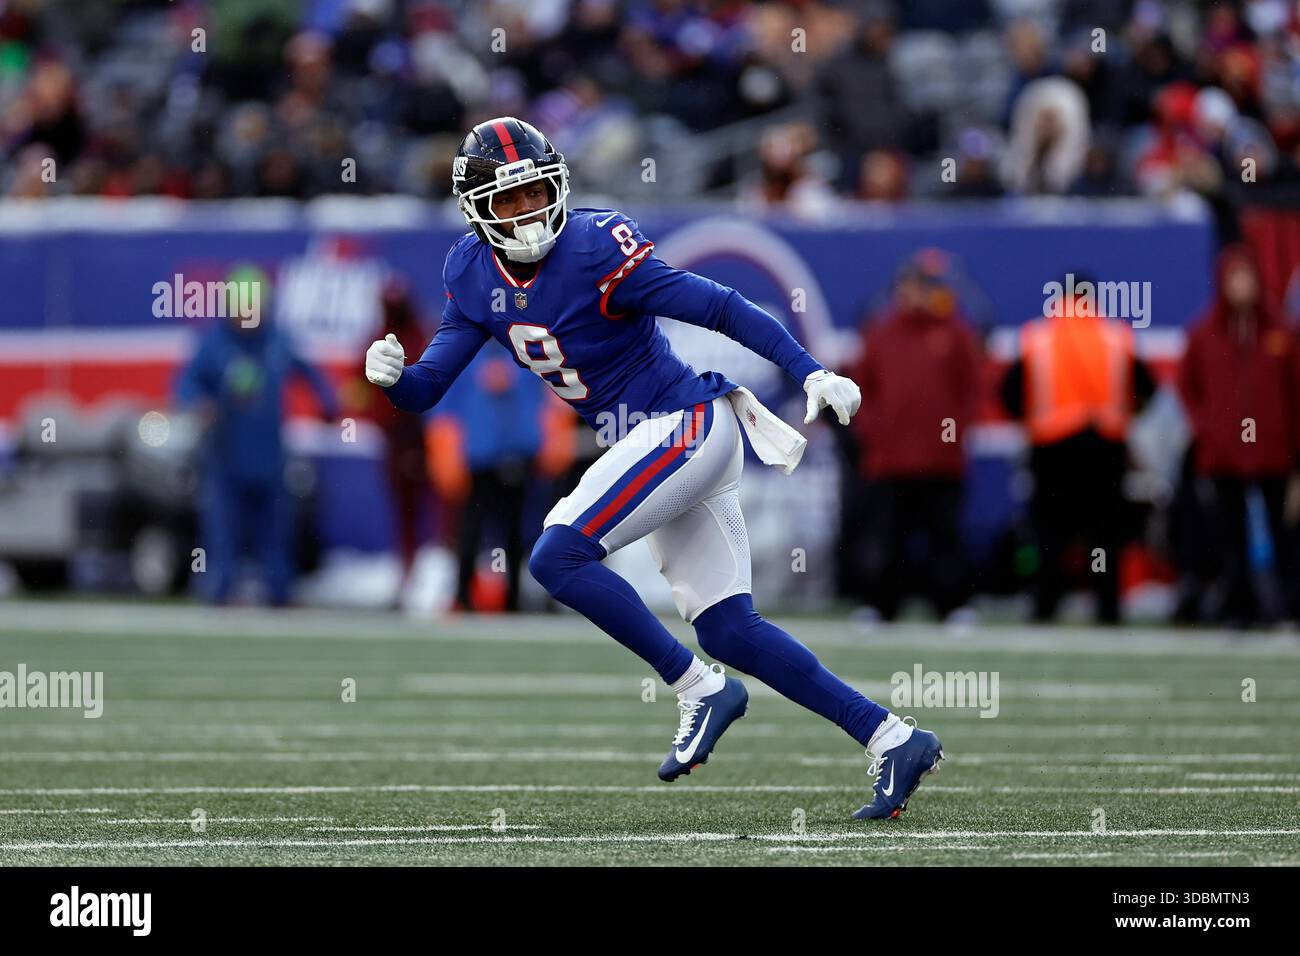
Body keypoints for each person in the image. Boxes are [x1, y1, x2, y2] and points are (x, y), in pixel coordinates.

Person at [365, 117, 943, 820]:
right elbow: (428, 387)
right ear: (477, 207)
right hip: (657, 444)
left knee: (555, 556)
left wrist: (809, 370)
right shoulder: (470, 270)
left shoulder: (592, 247)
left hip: (686, 426)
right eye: (508, 200)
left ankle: (699, 688)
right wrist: (392, 378)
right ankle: (893, 737)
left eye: (536, 192)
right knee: (731, 630)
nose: (526, 211)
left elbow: (719, 305)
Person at [175, 265, 338, 605]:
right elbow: (185, 384)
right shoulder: (215, 343)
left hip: (269, 459)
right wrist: (199, 404)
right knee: (222, 534)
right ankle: (218, 596)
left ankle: (279, 595)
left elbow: (311, 374)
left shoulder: (277, 341)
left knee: (277, 534)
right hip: (225, 460)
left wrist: (328, 404)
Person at [1000, 274, 1158, 624]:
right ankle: (1108, 610)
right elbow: (1148, 387)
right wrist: (1123, 416)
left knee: (1050, 537)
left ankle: (1045, 606)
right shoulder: (1115, 337)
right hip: (1105, 449)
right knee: (1104, 538)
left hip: (1052, 451)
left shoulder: (1039, 337)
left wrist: (1034, 421)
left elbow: (1010, 393)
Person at [850, 249, 982, 623]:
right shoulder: (881, 332)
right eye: (908, 286)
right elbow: (862, 388)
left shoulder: (954, 331)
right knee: (886, 539)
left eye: (922, 286)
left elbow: (972, 388)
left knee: (946, 538)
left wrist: (955, 434)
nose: (914, 294)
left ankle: (952, 607)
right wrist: (875, 431)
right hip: (889, 459)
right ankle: (880, 606)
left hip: (941, 460)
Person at [1178, 245, 1300, 626]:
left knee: (1285, 533)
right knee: (1230, 536)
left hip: (1274, 452)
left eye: (1246, 277)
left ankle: (1287, 606)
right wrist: (1209, 428)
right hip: (1225, 454)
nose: (1241, 286)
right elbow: (1187, 387)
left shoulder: (1281, 333)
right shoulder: (1205, 334)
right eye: (1234, 278)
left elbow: (1295, 392)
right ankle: (1240, 607)